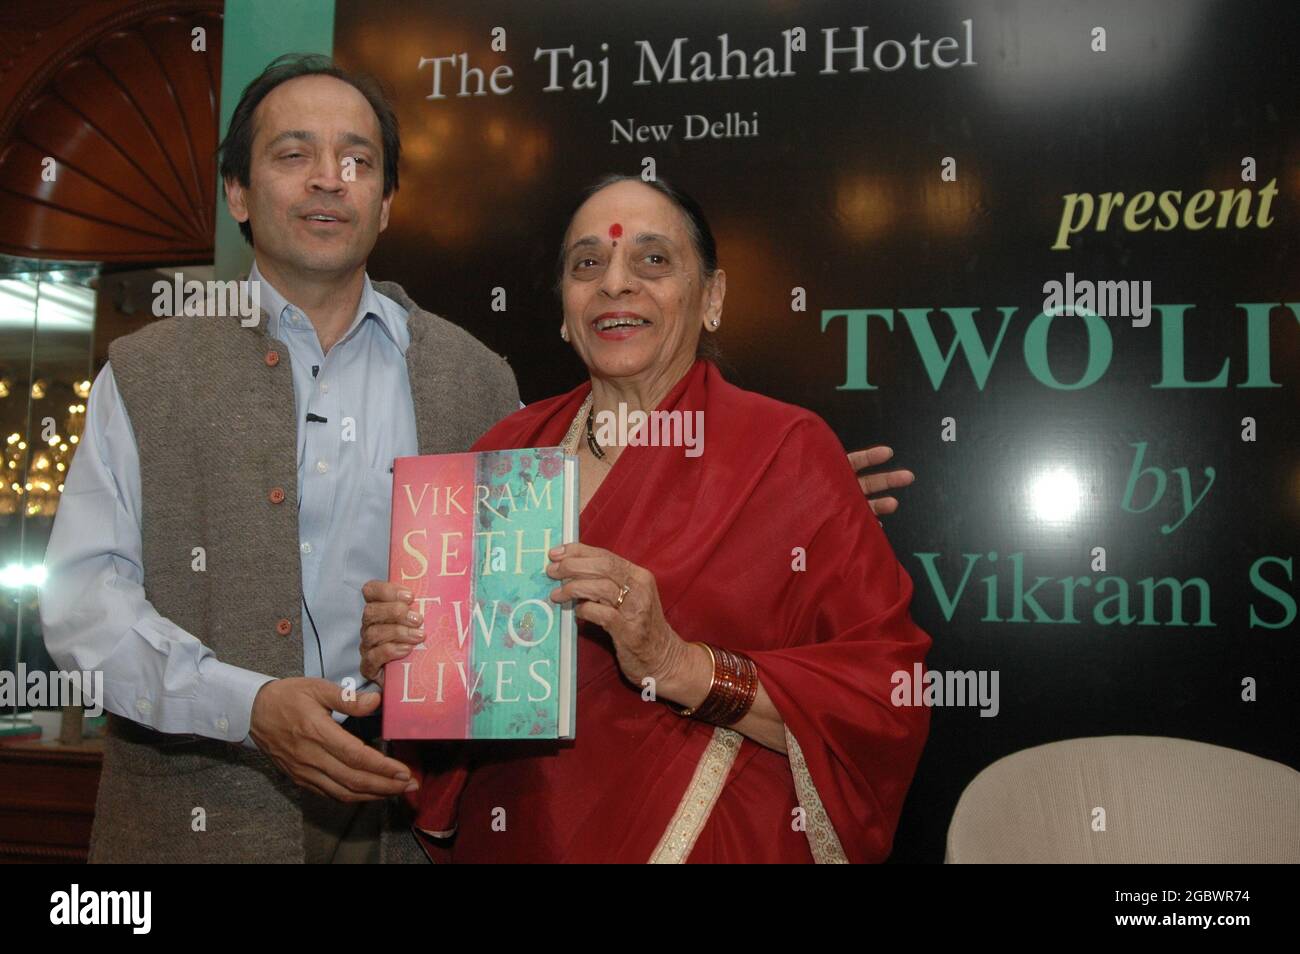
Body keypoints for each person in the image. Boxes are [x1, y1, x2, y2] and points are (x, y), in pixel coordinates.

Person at [40, 54, 910, 864]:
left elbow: (530, 589)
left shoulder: (476, 384)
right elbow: (85, 607)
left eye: (358, 160)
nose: (327, 180)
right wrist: (249, 705)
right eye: (292, 155)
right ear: (236, 191)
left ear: (385, 201)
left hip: (400, 831)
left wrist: (793, 495)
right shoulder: (147, 375)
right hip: (199, 823)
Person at [360, 175, 932, 862]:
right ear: (565, 309)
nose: (614, 285)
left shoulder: (788, 452)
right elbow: (450, 717)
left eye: (652, 260)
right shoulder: (504, 457)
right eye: (587, 265)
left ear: (712, 297)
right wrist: (406, 660)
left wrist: (678, 664)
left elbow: (883, 699)